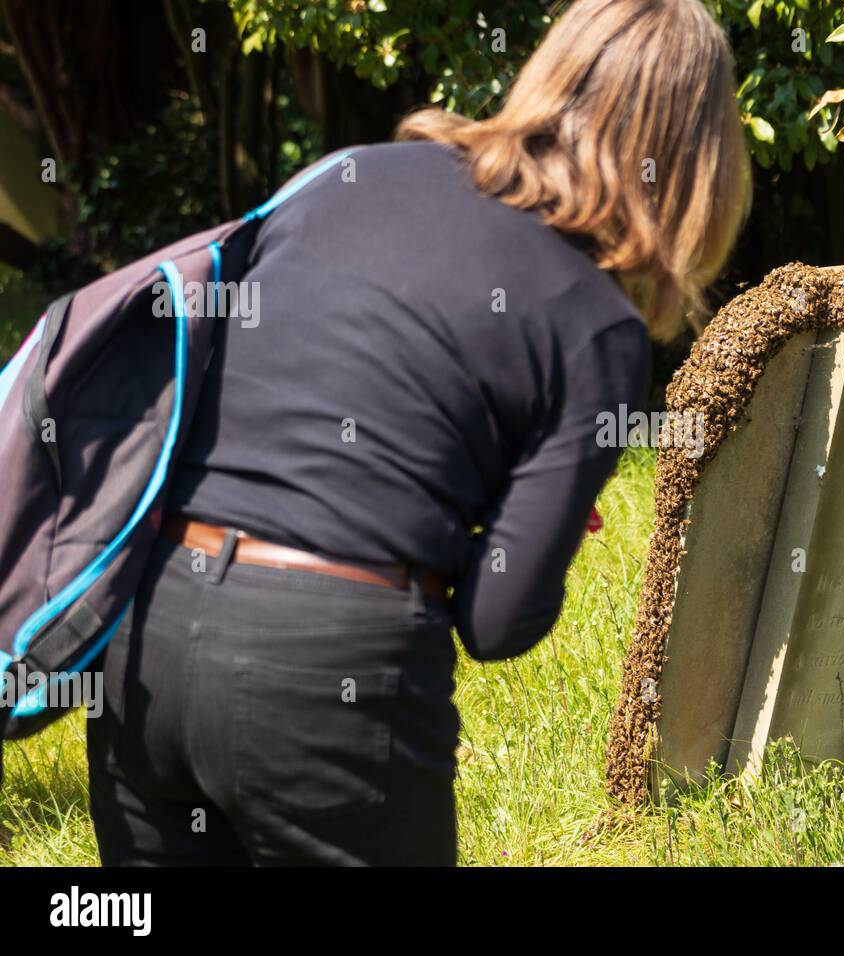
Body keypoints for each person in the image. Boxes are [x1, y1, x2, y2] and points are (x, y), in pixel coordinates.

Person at [85, 0, 749, 866]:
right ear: (696, 166)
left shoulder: (347, 175)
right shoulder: (594, 326)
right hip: (325, 671)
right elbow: (498, 622)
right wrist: (502, 538)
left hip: (139, 633)